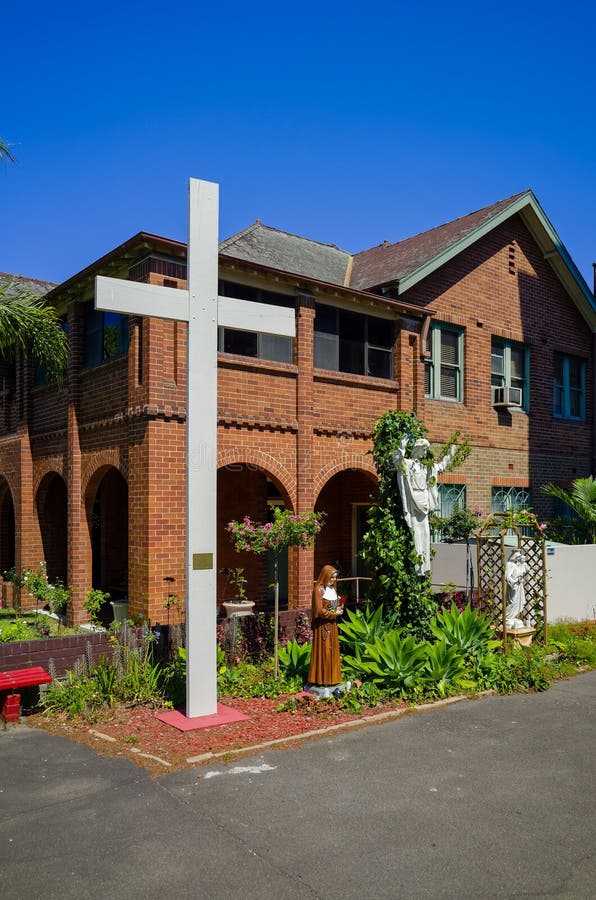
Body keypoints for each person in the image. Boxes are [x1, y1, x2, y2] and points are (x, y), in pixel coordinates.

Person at [393, 436, 456, 574]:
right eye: (423, 449)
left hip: (424, 501)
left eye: (426, 450)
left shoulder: (425, 467)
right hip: (413, 501)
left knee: (426, 534)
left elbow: (440, 466)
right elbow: (398, 462)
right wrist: (401, 447)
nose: (424, 453)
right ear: (417, 449)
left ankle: (425, 566)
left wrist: (450, 455)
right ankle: (418, 567)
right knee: (416, 535)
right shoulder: (409, 464)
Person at [307, 565, 344, 687]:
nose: (333, 579)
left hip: (332, 626)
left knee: (332, 651)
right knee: (325, 652)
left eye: (335, 577)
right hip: (323, 626)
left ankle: (333, 679)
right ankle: (323, 679)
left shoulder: (331, 589)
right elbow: (319, 611)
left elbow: (330, 606)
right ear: (326, 575)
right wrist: (334, 613)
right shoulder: (318, 589)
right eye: (331, 577)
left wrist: (338, 608)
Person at [505, 549, 528, 629]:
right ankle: (508, 618)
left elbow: (520, 573)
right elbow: (507, 577)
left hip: (519, 586)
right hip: (513, 587)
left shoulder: (516, 565)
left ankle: (513, 617)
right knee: (513, 602)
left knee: (518, 602)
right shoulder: (509, 564)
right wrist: (514, 582)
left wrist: (520, 580)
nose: (519, 559)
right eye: (518, 557)